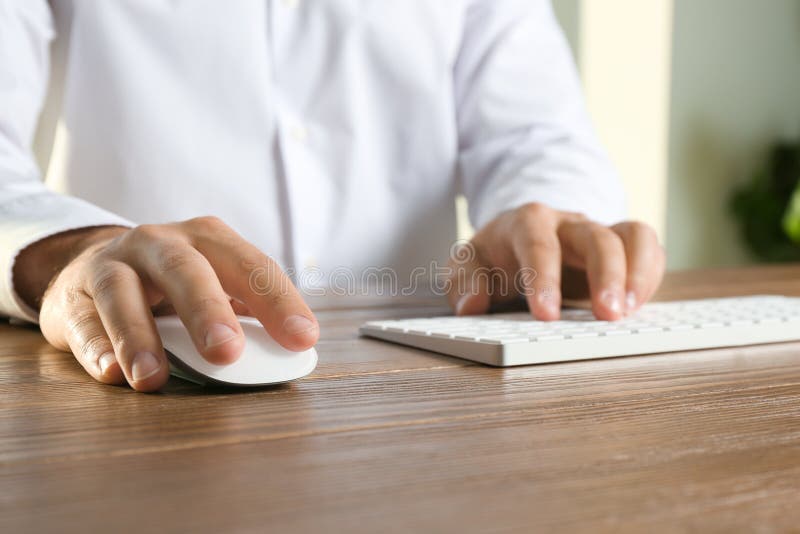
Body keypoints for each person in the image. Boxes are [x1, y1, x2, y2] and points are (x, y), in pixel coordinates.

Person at [0, 1, 665, 392]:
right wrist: (69, 254)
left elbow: (537, 136)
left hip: (421, 396)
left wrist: (544, 221)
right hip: (148, 395)